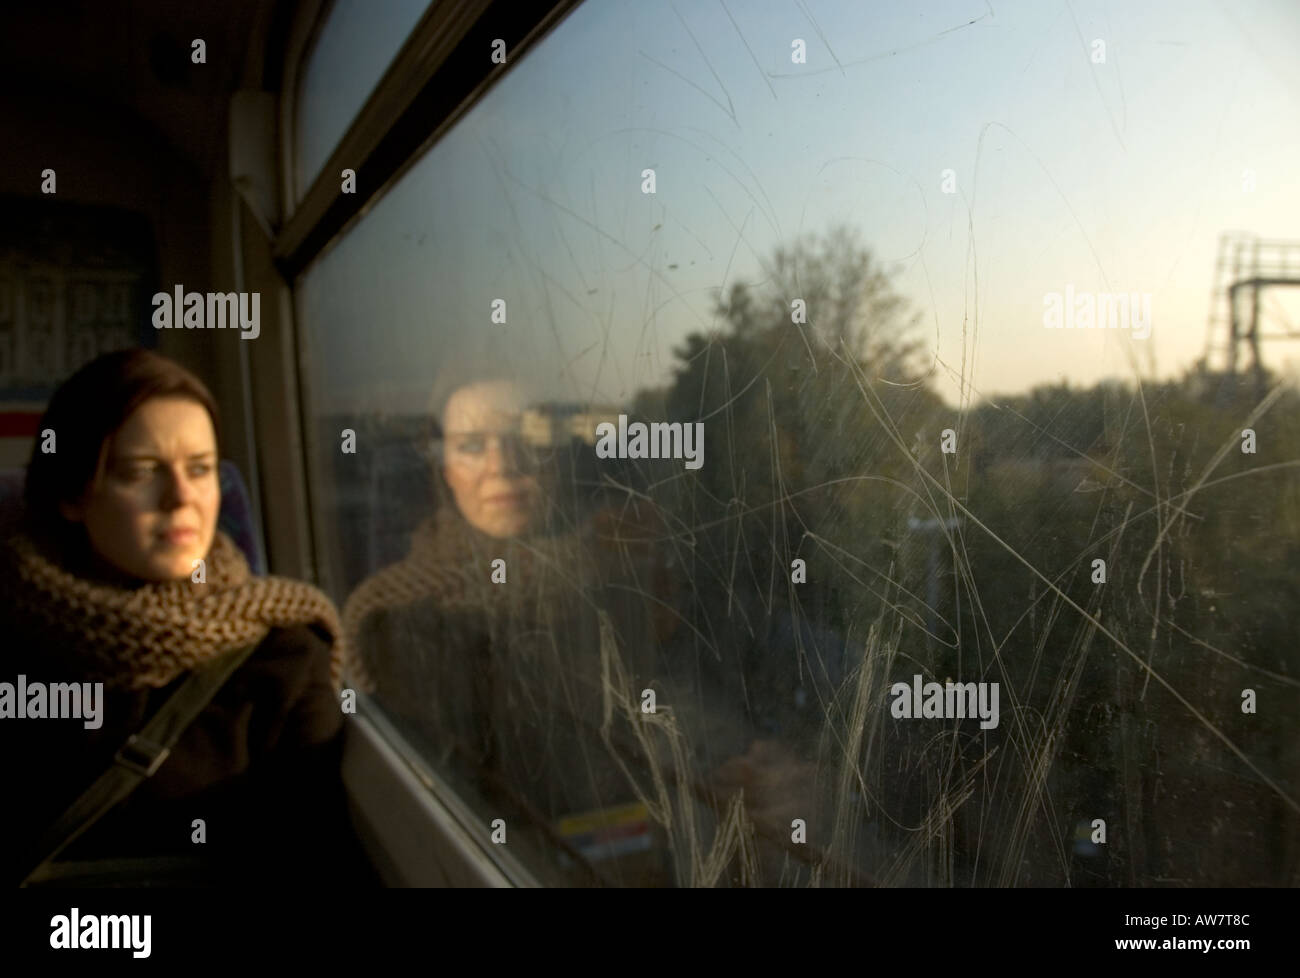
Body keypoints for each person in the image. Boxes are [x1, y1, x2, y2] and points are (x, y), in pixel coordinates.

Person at [0, 349, 374, 887]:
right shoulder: (15, 636)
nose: (182, 499)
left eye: (200, 469)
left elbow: (310, 865)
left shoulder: (283, 657)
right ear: (72, 493)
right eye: (141, 472)